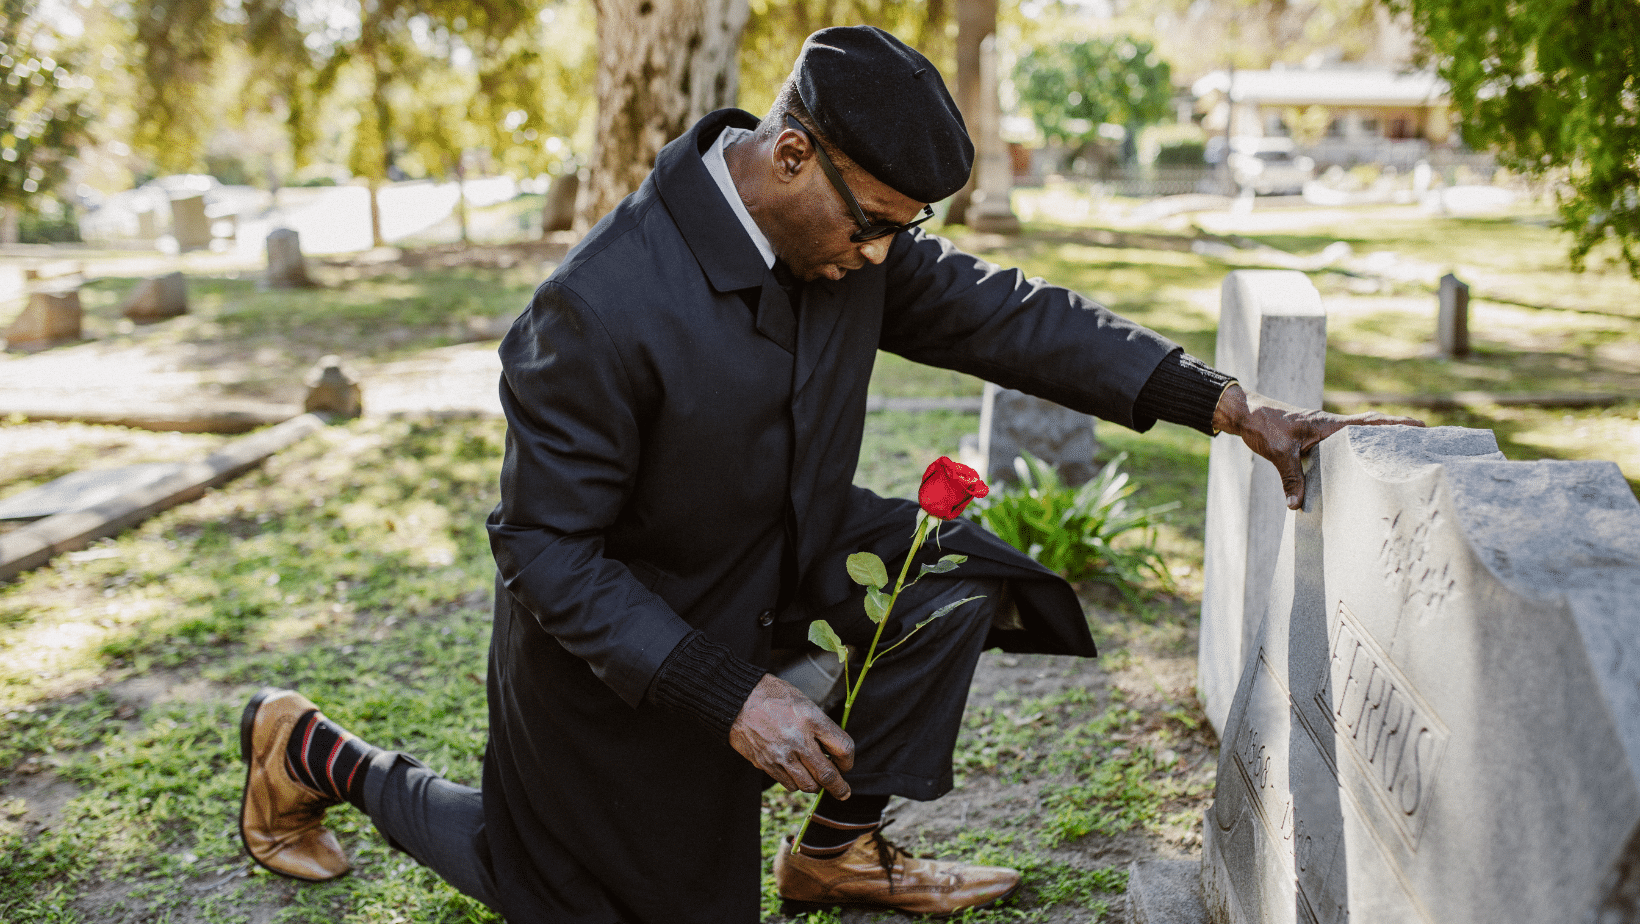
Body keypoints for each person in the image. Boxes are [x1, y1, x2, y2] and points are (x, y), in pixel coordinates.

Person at [237, 25, 1420, 923]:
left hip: (784, 556)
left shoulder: (848, 241)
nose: (885, 253)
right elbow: (544, 552)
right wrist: (730, 694)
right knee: (546, 879)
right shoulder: (595, 310)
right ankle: (310, 749)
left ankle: (836, 849)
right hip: (631, 651)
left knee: (949, 580)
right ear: (791, 155)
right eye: (875, 224)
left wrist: (1221, 403)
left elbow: (1007, 316)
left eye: (903, 230)